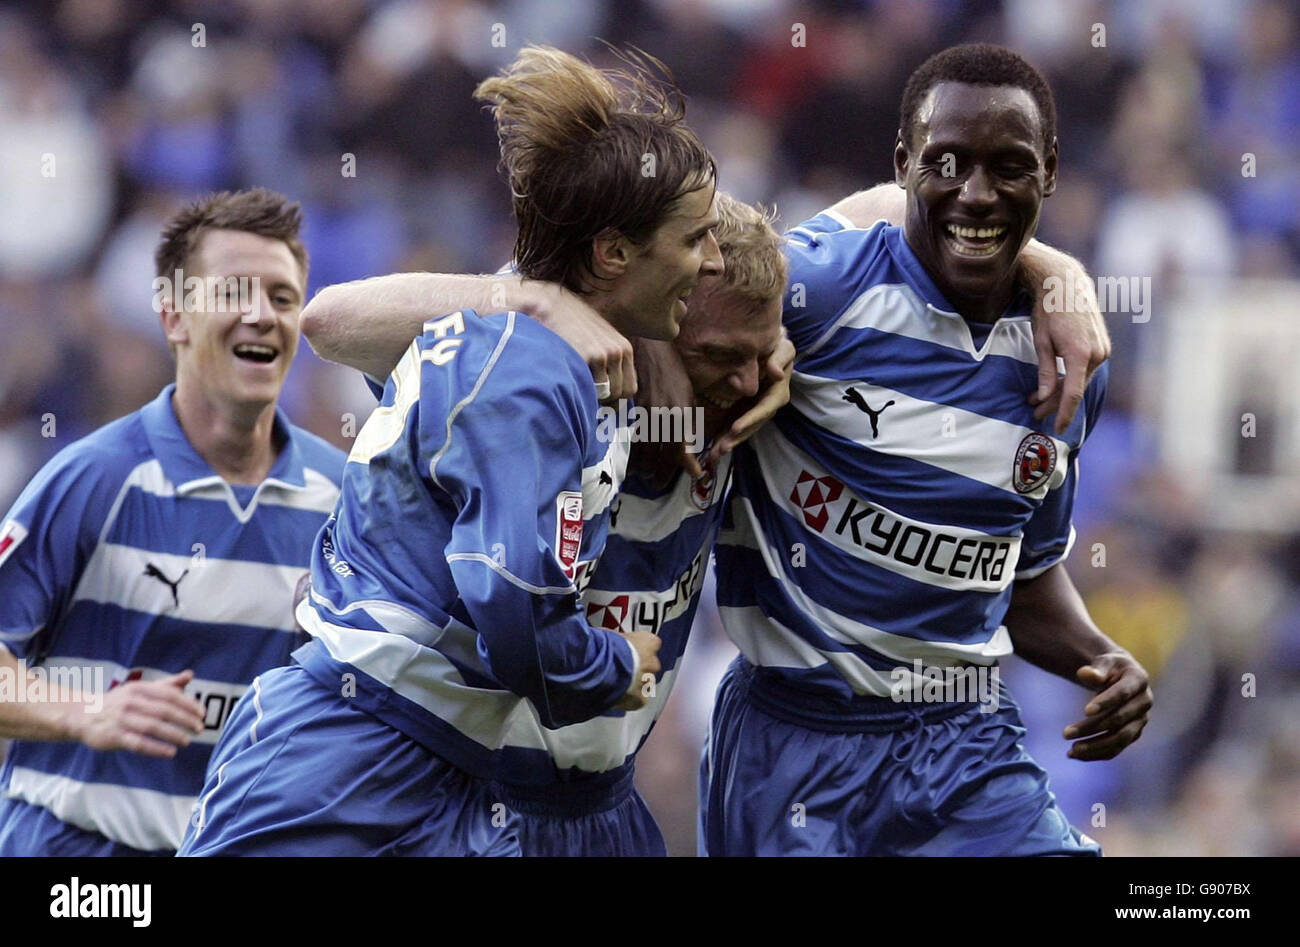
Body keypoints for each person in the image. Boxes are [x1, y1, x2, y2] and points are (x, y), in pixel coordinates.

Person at [179, 46, 718, 857]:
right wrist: (616, 663)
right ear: (612, 254)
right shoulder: (529, 374)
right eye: (692, 240)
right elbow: (517, 611)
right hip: (346, 751)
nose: (707, 261)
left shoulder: (523, 348)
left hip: (433, 766)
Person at [700, 44, 1153, 857]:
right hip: (791, 745)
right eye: (945, 163)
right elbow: (667, 289)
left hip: (963, 741)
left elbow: (1017, 570)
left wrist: (1102, 655)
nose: (976, 194)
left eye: (1009, 168)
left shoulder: (1067, 359)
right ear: (904, 164)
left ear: (1048, 172)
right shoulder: (813, 294)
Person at [300, 193, 791, 856]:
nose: (740, 382)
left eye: (758, 356)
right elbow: (330, 319)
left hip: (605, 809)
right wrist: (538, 302)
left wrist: (771, 359)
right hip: (466, 795)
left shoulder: (737, 403)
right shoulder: (523, 375)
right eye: (717, 355)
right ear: (643, 318)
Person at [0, 188, 346, 855]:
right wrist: (86, 711)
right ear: (173, 318)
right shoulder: (96, 478)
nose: (261, 315)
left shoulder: (343, 499)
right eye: (232, 292)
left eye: (281, 297)